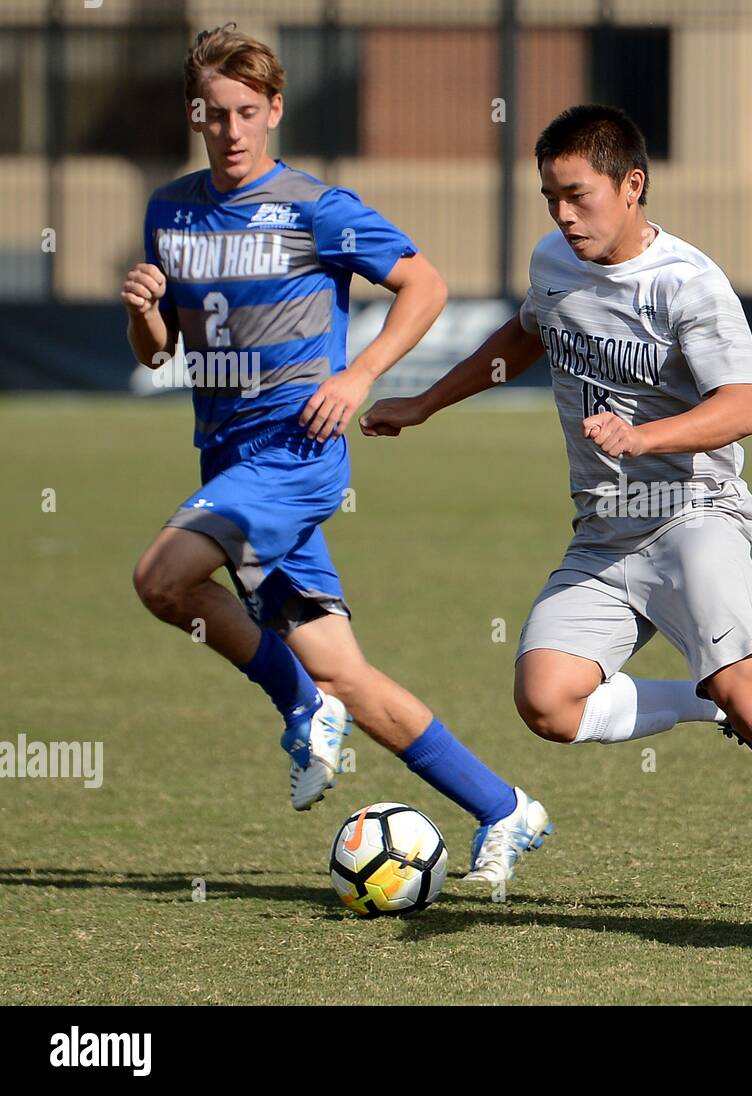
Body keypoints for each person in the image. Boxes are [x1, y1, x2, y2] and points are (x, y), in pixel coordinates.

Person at [362, 105, 752, 913]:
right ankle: (702, 699)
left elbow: (743, 406)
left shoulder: (690, 284)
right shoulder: (554, 260)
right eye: (551, 196)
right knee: (547, 701)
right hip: (606, 533)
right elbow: (525, 337)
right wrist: (428, 403)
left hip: (695, 512)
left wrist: (644, 435)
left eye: (578, 194)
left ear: (632, 185)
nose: (562, 213)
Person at [124, 25, 551, 887]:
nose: (234, 129)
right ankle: (505, 808)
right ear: (195, 114)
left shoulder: (316, 207)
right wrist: (142, 312)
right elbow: (156, 353)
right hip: (229, 463)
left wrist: (359, 374)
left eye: (250, 112)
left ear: (275, 110)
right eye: (217, 114)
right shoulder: (169, 209)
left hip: (296, 456)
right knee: (347, 674)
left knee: (162, 580)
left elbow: (425, 286)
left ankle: (298, 704)